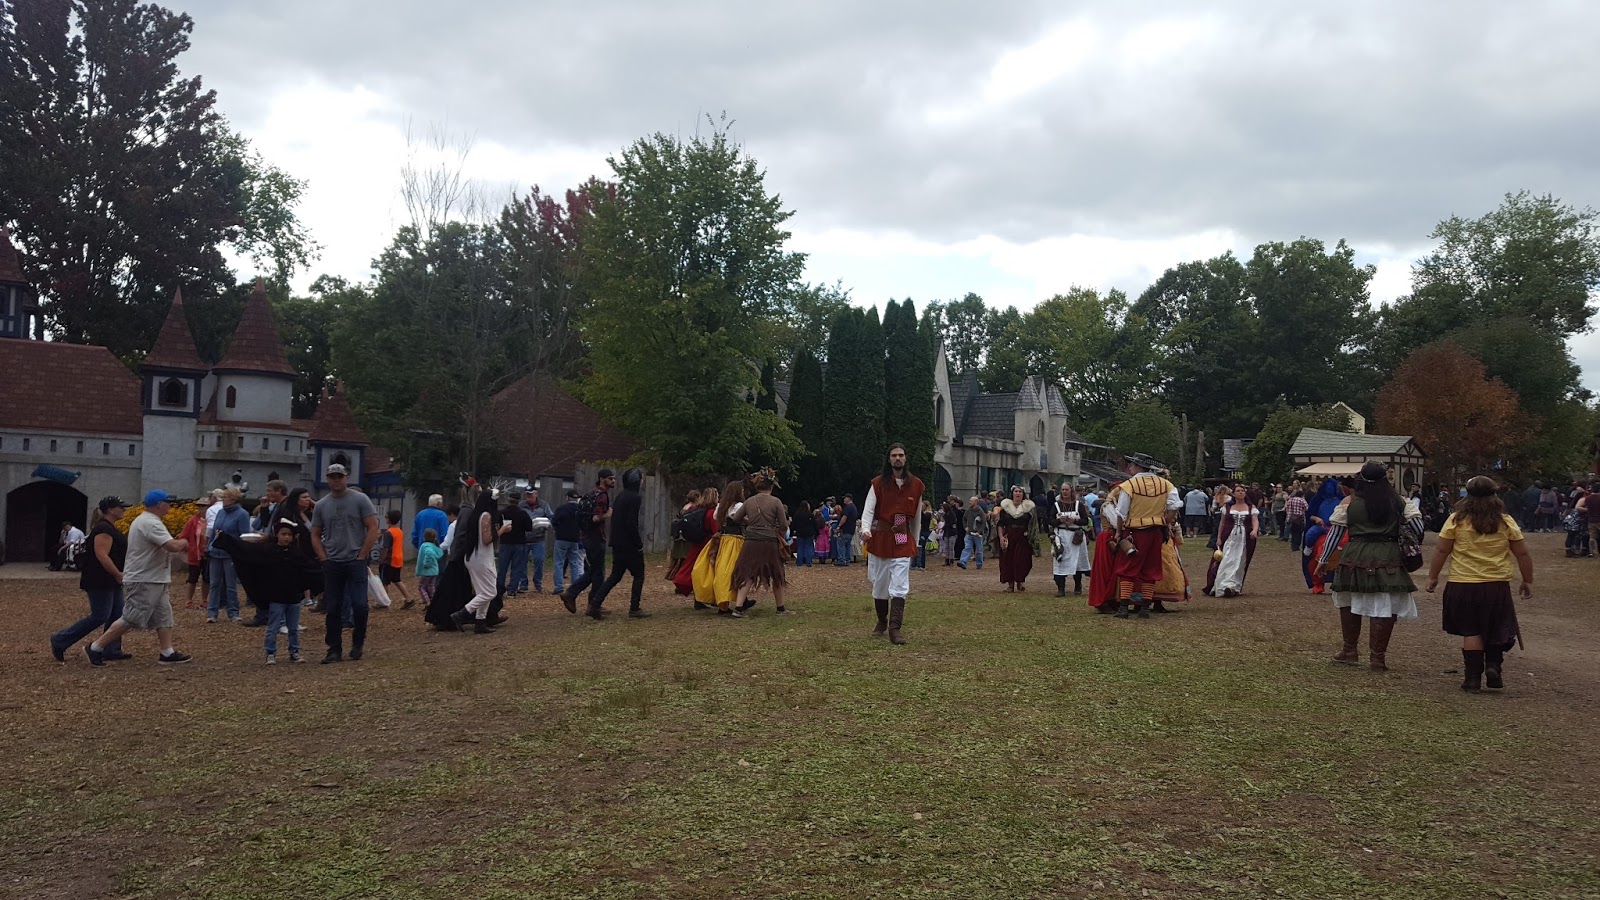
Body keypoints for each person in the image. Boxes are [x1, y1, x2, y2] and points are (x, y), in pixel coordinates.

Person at [1425, 476, 1532, 692]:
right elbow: (1521, 553)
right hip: (1496, 584)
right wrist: (1527, 580)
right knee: (1495, 626)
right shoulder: (1505, 521)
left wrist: (1433, 576)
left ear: (1468, 495)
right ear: (1495, 494)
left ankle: (1472, 678)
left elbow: (1442, 550)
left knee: (1471, 630)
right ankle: (1493, 666)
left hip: (1462, 582)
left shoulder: (1456, 520)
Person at [1319, 462, 1423, 672]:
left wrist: (1323, 560)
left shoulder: (1350, 503)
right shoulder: (1399, 502)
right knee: (1384, 604)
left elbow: (1335, 534)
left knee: (1349, 600)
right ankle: (1377, 658)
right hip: (1388, 555)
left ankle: (1350, 651)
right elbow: (1418, 527)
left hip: (1354, 554)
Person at [83, 489, 192, 667]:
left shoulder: (147, 520)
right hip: (145, 578)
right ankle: (95, 647)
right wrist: (185, 541)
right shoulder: (150, 523)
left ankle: (167, 652)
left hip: (154, 578)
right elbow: (172, 546)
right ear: (158, 504)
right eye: (167, 502)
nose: (170, 505)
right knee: (132, 617)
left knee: (164, 615)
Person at [215, 519, 322, 664]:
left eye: (289, 535)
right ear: (277, 535)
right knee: (273, 627)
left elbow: (312, 569)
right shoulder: (267, 551)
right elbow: (246, 550)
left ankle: (294, 652)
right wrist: (226, 539)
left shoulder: (297, 554)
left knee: (293, 628)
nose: (286, 537)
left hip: (293, 598)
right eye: (283, 534)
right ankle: (270, 653)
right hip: (277, 597)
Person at [310, 463, 379, 663]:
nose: (336, 480)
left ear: (346, 478)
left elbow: (373, 527)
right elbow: (314, 534)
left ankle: (358, 643)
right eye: (332, 477)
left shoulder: (360, 499)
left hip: (355, 560)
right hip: (333, 561)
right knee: (333, 607)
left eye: (339, 476)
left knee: (359, 605)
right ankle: (334, 648)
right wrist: (323, 557)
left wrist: (362, 554)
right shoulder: (322, 505)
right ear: (327, 479)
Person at [1101, 454, 1183, 619]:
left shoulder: (1129, 485)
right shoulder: (1166, 484)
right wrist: (1163, 522)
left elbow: (1121, 513)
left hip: (1134, 532)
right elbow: (1174, 507)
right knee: (1151, 569)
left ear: (1138, 466)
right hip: (1155, 533)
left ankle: (1124, 608)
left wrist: (1118, 532)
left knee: (1127, 569)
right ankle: (1145, 609)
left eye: (1131, 463)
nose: (1129, 466)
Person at [858, 444, 924, 644]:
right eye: (894, 455)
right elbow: (869, 509)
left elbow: (917, 516)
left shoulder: (916, 485)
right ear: (889, 459)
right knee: (880, 583)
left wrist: (916, 539)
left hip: (902, 534)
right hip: (882, 535)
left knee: (899, 582)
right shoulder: (878, 483)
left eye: (901, 455)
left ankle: (895, 629)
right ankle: (882, 620)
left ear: (905, 458)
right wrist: (866, 530)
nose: (898, 458)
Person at [50, 496, 129, 662]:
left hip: (109, 579)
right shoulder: (103, 529)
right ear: (109, 509)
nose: (123, 509)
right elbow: (102, 555)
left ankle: (111, 648)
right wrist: (117, 574)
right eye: (120, 507)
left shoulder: (109, 528)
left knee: (117, 613)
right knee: (100, 615)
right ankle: (60, 640)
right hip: (100, 579)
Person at [730, 468, 790, 615]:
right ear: (772, 486)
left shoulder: (749, 501)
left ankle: (738, 607)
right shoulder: (776, 502)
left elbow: (736, 518)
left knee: (747, 572)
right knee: (777, 573)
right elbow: (783, 525)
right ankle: (780, 608)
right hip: (769, 541)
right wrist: (777, 532)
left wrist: (750, 522)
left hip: (750, 541)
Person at [450, 484, 508, 632]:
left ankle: (480, 621)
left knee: (483, 591)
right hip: (481, 558)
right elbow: (487, 539)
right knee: (490, 592)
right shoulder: (486, 516)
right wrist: (501, 530)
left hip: (475, 557)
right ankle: (462, 614)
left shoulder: (477, 515)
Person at [593, 467, 649, 619]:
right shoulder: (634, 498)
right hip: (629, 544)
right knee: (639, 575)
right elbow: (631, 523)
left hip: (617, 542)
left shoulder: (621, 496)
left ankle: (595, 604)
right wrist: (638, 543)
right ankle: (634, 608)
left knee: (615, 575)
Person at [559, 469, 616, 615]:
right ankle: (590, 603)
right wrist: (608, 514)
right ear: (602, 479)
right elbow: (596, 518)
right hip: (595, 537)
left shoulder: (591, 493)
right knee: (598, 573)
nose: (613, 481)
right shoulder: (602, 496)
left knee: (594, 571)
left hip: (585, 536)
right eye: (610, 479)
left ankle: (578, 596)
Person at [693, 480, 748, 615]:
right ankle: (726, 603)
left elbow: (717, 519)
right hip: (735, 540)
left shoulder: (720, 506)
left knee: (722, 569)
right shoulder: (739, 506)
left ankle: (739, 601)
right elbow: (745, 519)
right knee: (729, 571)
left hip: (723, 539)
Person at [1204, 485, 1260, 597]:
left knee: (1240, 561)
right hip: (1229, 537)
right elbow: (1222, 523)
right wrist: (1219, 538)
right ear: (1233, 494)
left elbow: (1255, 520)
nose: (1240, 492)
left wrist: (1254, 530)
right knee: (1226, 560)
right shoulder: (1228, 507)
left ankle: (1233, 586)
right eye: (1238, 491)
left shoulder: (1250, 507)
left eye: (1242, 491)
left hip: (1244, 539)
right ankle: (1222, 585)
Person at [206, 487, 251, 624]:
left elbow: (243, 535)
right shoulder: (220, 512)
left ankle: (233, 612)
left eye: (226, 497)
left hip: (230, 553)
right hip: (216, 552)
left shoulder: (242, 514)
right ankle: (212, 612)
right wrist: (209, 547)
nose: (223, 500)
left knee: (231, 584)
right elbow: (214, 531)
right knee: (214, 583)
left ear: (234, 499)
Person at [673, 487, 720, 599]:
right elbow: (715, 530)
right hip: (707, 544)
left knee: (692, 566)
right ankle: (702, 596)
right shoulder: (711, 513)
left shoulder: (697, 510)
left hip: (697, 542)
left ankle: (697, 597)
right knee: (705, 571)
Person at [1051, 484, 1092, 596]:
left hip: (1076, 537)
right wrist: (1060, 521)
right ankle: (1061, 588)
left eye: (1067, 490)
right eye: (1063, 490)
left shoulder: (1079, 505)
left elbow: (1085, 521)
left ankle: (1077, 586)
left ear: (1071, 491)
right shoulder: (1056, 505)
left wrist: (1074, 521)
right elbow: (1050, 521)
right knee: (1061, 561)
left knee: (1077, 562)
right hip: (1062, 536)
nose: (1065, 492)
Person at [997, 486, 1036, 592]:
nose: (1018, 493)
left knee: (1021, 560)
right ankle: (1010, 585)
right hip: (1009, 536)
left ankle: (1020, 582)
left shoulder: (1028, 508)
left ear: (1023, 494)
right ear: (1012, 493)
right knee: (1008, 560)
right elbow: (1000, 524)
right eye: (1016, 491)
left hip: (1023, 537)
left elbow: (1033, 524)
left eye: (1020, 492)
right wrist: (1001, 537)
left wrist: (1031, 535)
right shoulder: (1005, 508)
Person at [497, 492, 533, 597]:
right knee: (516, 568)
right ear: (518, 501)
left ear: (508, 500)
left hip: (505, 543)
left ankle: (499, 590)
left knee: (502, 568)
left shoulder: (502, 513)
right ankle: (511, 590)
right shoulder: (523, 513)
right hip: (519, 543)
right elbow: (529, 528)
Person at [550, 490, 584, 595]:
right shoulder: (580, 509)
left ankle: (559, 586)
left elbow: (554, 521)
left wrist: (557, 528)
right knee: (574, 563)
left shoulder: (562, 509)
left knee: (559, 562)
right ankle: (574, 586)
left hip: (561, 538)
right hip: (575, 538)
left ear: (567, 498)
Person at [379, 508, 414, 608]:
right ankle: (408, 598)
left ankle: (384, 602)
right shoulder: (399, 531)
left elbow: (386, 548)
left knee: (385, 581)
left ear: (388, 520)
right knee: (397, 580)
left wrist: (382, 559)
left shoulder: (388, 533)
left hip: (389, 560)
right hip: (398, 559)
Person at [179, 495, 210, 609]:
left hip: (207, 554)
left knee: (207, 578)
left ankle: (204, 600)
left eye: (205, 506)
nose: (202, 508)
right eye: (200, 506)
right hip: (194, 554)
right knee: (192, 578)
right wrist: (187, 548)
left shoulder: (211, 520)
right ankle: (188, 600)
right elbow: (183, 536)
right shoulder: (192, 521)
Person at [521, 489, 554, 593]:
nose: (529, 498)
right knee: (522, 562)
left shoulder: (544, 505)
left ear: (536, 495)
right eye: (527, 495)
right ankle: (523, 584)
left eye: (531, 495)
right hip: (524, 538)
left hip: (538, 538)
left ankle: (538, 583)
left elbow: (551, 517)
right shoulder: (521, 505)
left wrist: (545, 525)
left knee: (539, 561)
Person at [416, 527, 443, 607]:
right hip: (434, 571)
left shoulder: (426, 546)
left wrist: (426, 563)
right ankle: (435, 601)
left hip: (427, 571)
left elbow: (429, 553)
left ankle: (428, 603)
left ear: (424, 537)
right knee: (431, 586)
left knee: (421, 587)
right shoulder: (434, 546)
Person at [960, 495, 988, 570]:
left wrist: (979, 531)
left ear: (976, 502)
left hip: (977, 534)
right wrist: (965, 527)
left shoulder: (980, 512)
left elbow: (983, 523)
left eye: (971, 501)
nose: (969, 502)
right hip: (969, 533)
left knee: (979, 550)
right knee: (967, 547)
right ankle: (963, 562)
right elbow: (964, 519)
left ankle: (979, 564)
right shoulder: (968, 511)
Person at [790, 499, 817, 568]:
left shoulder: (797, 514)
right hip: (809, 533)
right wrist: (817, 533)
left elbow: (793, 524)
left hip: (800, 533)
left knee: (800, 547)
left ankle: (799, 562)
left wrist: (791, 533)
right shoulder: (810, 514)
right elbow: (814, 524)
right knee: (809, 547)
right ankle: (808, 562)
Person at [835, 494, 859, 565]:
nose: (844, 500)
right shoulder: (854, 507)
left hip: (845, 529)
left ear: (849, 498)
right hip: (851, 530)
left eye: (845, 498)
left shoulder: (847, 507)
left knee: (840, 543)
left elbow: (844, 517)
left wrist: (839, 526)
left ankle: (841, 560)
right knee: (848, 545)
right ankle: (847, 559)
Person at [941, 496, 965, 567]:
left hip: (952, 532)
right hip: (948, 532)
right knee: (947, 547)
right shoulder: (947, 514)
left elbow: (952, 523)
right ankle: (948, 559)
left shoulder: (952, 514)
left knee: (951, 547)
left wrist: (943, 527)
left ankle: (950, 560)